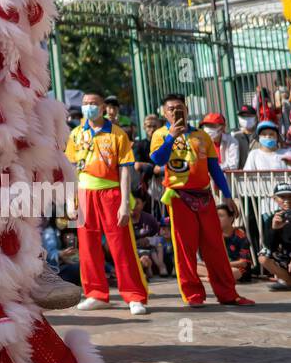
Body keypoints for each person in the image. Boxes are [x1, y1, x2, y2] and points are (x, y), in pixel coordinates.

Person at [150, 93, 254, 308]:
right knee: (185, 248)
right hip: (179, 197)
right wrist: (171, 136)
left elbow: (214, 168)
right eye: (170, 109)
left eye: (179, 108)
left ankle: (228, 294)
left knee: (215, 247)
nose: (175, 112)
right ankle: (194, 295)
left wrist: (226, 194)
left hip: (205, 195)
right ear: (164, 112)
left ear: (187, 110)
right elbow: (158, 160)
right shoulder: (160, 134)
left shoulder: (202, 136)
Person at [66, 93, 148, 315]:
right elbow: (70, 170)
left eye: (93, 104)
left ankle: (134, 295)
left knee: (121, 246)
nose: (88, 107)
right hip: (84, 194)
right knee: (87, 247)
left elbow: (124, 171)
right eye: (85, 104)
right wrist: (69, 201)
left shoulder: (117, 134)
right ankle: (95, 294)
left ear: (103, 108)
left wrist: (123, 203)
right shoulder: (75, 134)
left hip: (110, 193)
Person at [217, 204, 255, 283]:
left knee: (233, 272)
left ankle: (208, 278)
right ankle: (212, 278)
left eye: (220, 216)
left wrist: (221, 265)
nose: (216, 218)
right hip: (219, 268)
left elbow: (243, 263)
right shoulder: (215, 235)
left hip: (238, 270)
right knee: (192, 267)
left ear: (231, 218)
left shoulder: (240, 236)